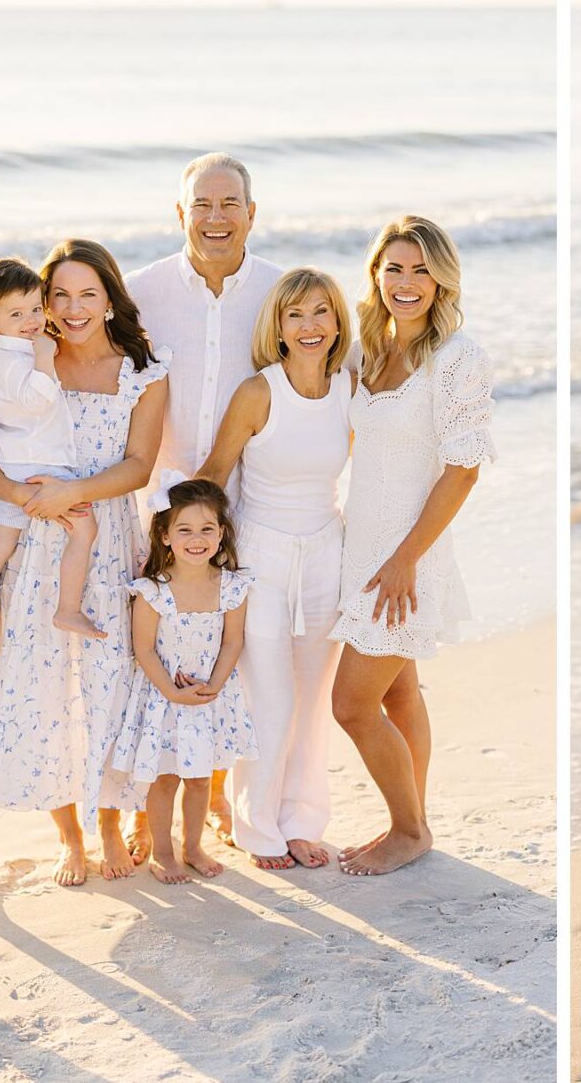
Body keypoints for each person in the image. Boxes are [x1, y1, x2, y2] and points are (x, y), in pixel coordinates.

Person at [0, 239, 169, 887]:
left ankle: (112, 820)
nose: (73, 306)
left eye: (88, 293)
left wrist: (73, 494)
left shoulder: (143, 369)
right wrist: (28, 498)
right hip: (34, 539)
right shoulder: (18, 362)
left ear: (110, 298)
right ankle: (69, 836)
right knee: (43, 684)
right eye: (60, 294)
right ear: (42, 302)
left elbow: (139, 465)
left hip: (107, 538)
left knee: (114, 681)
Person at [330, 216, 496, 877]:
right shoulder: (366, 350)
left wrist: (405, 559)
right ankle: (413, 818)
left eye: (420, 270)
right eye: (393, 268)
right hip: (359, 548)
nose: (406, 282)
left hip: (404, 561)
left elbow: (464, 469)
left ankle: (408, 828)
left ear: (442, 278)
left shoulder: (457, 358)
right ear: (375, 274)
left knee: (351, 703)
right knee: (399, 696)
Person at [127, 151, 281, 851]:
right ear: (180, 214)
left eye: (230, 205)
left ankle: (215, 793)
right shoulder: (139, 292)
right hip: (152, 507)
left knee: (228, 653)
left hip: (251, 507)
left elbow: (329, 377)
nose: (215, 218)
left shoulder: (281, 293)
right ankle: (140, 808)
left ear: (252, 213)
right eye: (202, 205)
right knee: (148, 655)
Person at [197, 268, 353, 870]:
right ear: (278, 328)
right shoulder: (258, 392)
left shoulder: (348, 388)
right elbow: (213, 475)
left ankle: (300, 822)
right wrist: (195, 561)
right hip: (260, 554)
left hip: (326, 552)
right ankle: (256, 827)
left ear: (338, 322)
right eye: (296, 316)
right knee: (269, 698)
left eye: (321, 313)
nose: (310, 326)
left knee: (313, 697)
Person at [111, 476, 257, 884]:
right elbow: (144, 649)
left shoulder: (231, 587)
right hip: (165, 699)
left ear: (222, 532)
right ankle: (163, 851)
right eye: (185, 530)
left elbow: (233, 642)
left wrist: (214, 684)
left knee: (200, 778)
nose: (197, 539)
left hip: (211, 696)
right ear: (165, 535)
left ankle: (193, 847)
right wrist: (172, 691)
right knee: (166, 778)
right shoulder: (153, 591)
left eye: (207, 529)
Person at [0, 258, 99, 663]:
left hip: (14, 461)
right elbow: (38, 399)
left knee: (1, 546)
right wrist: (45, 355)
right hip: (36, 467)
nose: (31, 321)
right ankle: (67, 608)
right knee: (83, 529)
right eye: (16, 314)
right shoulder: (15, 357)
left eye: (36, 309)